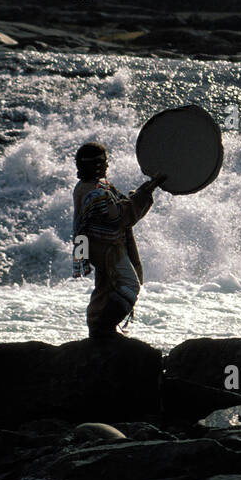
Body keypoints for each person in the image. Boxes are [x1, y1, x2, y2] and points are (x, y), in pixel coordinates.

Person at [71, 142, 169, 338]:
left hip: (103, 246)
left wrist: (144, 190)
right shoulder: (95, 192)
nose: (107, 166)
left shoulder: (94, 186)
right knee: (128, 285)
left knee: (107, 287)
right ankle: (104, 329)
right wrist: (146, 192)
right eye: (104, 162)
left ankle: (98, 328)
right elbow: (121, 217)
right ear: (96, 165)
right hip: (106, 248)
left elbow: (121, 206)